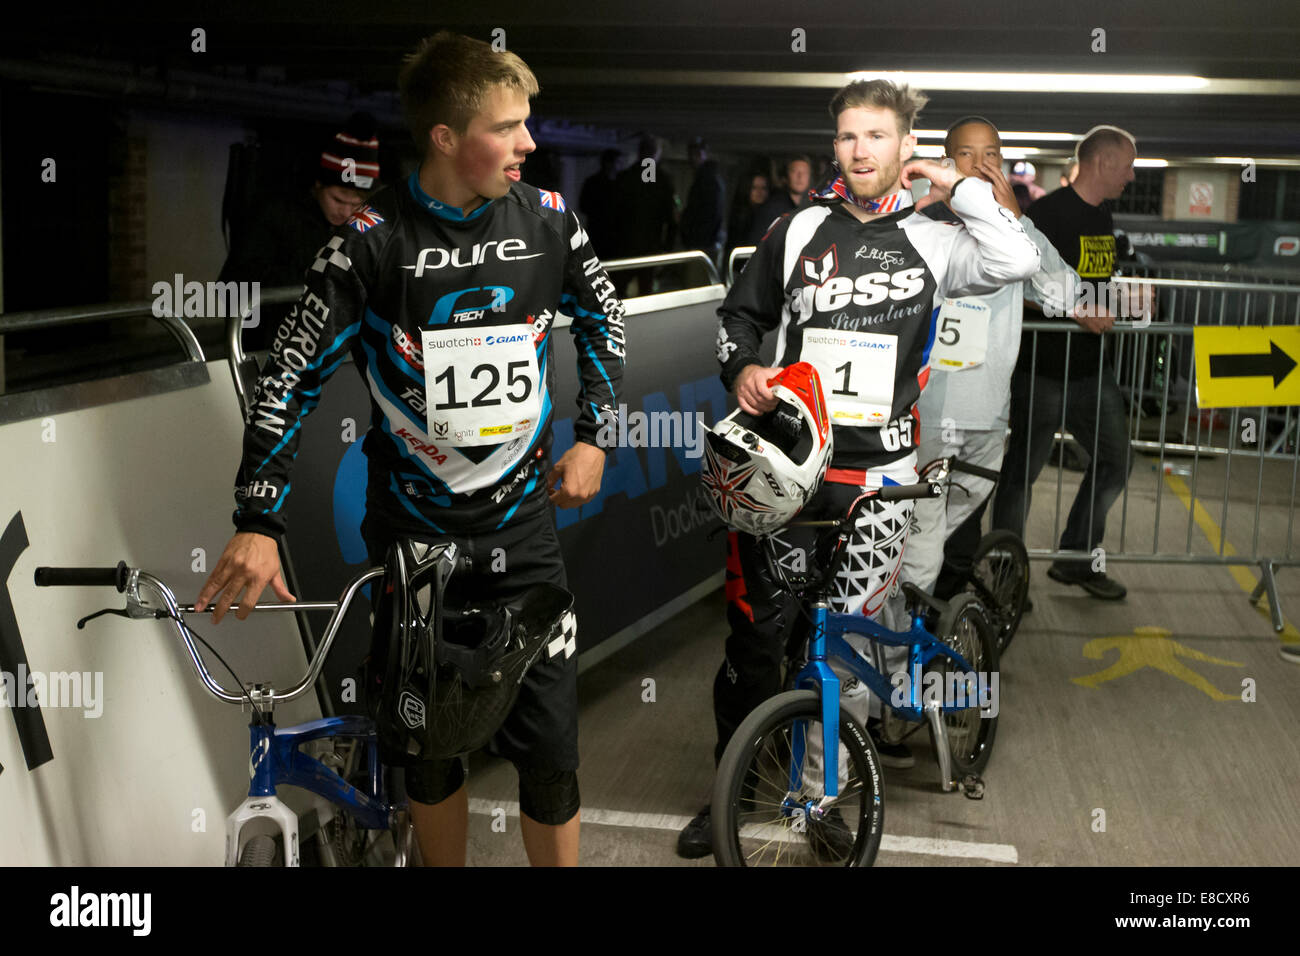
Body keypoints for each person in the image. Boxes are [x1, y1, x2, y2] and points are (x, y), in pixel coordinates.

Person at [194, 30, 626, 867]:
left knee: (551, 757)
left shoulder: (549, 222)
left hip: (525, 534)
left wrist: (596, 435)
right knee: (430, 751)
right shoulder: (365, 243)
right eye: (508, 127)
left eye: (526, 124)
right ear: (446, 137)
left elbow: (605, 319)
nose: (530, 144)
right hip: (416, 543)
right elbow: (290, 377)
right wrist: (258, 516)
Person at [677, 78, 1042, 858]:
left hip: (880, 479)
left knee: (840, 641)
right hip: (786, 469)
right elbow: (738, 315)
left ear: (907, 145)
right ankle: (727, 791)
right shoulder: (800, 226)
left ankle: (820, 801)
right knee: (754, 640)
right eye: (847, 136)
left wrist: (959, 186)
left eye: (877, 135)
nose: (860, 150)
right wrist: (742, 365)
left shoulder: (940, 238)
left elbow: (1018, 257)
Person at [898, 116, 1085, 609]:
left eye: (993, 156)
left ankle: (941, 645)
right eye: (967, 155)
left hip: (983, 415)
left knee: (957, 548)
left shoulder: (1015, 229)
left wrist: (1016, 221)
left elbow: (1065, 294)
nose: (982, 166)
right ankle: (895, 648)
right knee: (906, 544)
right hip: (915, 416)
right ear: (945, 160)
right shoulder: (914, 208)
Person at [992, 125, 1138, 600]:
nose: (1132, 177)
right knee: (1021, 477)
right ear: (1104, 163)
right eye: (1129, 166)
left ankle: (1076, 559)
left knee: (1116, 461)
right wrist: (1075, 309)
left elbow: (1093, 283)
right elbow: (1019, 286)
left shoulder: (1104, 215)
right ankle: (1005, 579)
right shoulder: (1048, 214)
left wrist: (1125, 301)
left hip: (1092, 372)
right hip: (1043, 372)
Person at [219, 113, 380, 351]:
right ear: (318, 185)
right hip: (273, 348)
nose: (345, 212)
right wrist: (311, 280)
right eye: (337, 199)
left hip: (333, 353)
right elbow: (229, 287)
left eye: (355, 204)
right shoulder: (276, 215)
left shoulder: (362, 227)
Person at [612, 134, 676, 295]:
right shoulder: (662, 180)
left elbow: (612, 213)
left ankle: (614, 319)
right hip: (650, 245)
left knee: (618, 288)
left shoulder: (625, 177)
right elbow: (670, 216)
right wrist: (668, 246)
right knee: (645, 289)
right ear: (656, 154)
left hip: (624, 244)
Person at [680, 136, 727, 265]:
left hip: (703, 244)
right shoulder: (708, 179)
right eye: (692, 154)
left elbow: (707, 213)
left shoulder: (707, 181)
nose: (694, 158)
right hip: (705, 242)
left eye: (698, 154)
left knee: (698, 279)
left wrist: (694, 238)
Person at [751, 155, 812, 235]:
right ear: (786, 177)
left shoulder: (810, 208)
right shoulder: (772, 208)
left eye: (804, 172)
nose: (800, 176)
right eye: (794, 171)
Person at [579, 148, 621, 258]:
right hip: (607, 233)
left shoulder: (592, 182)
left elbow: (583, 206)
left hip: (598, 232)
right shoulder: (618, 185)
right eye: (617, 162)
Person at [724, 166, 771, 261]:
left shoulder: (768, 214)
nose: (759, 192)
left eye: (763, 188)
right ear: (747, 189)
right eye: (754, 187)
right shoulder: (739, 216)